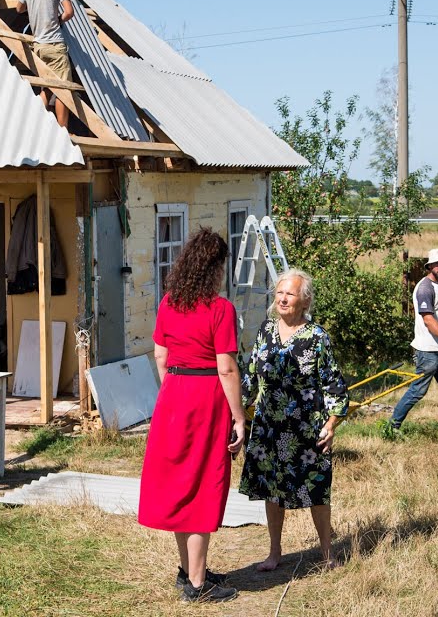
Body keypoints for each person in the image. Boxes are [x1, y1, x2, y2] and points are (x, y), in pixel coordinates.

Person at [138, 227, 246, 603]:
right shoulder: (221, 309)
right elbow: (227, 369)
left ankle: (189, 571)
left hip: (173, 396)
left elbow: (160, 357)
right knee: (201, 486)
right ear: (215, 267)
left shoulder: (169, 302)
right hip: (206, 399)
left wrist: (175, 391)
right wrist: (240, 417)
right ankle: (198, 586)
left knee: (180, 484)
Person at [238, 268, 349, 572]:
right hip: (269, 426)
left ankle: (327, 554)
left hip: (306, 426)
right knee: (273, 491)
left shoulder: (317, 337)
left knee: (317, 490)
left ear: (304, 300)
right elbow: (249, 378)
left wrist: (331, 424)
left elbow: (334, 384)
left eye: (290, 293)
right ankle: (275, 553)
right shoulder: (265, 330)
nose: (283, 298)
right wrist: (236, 416)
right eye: (280, 292)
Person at [389, 248, 438, 439]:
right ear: (430, 266)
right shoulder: (425, 288)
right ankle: (392, 426)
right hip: (428, 351)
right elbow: (429, 321)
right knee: (418, 391)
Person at [16, 0, 76, 128]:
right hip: (55, 44)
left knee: (47, 88)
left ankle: (39, 126)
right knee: (63, 90)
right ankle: (63, 132)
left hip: (39, 46)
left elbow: (19, 8)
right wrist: (58, 19)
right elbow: (69, 12)